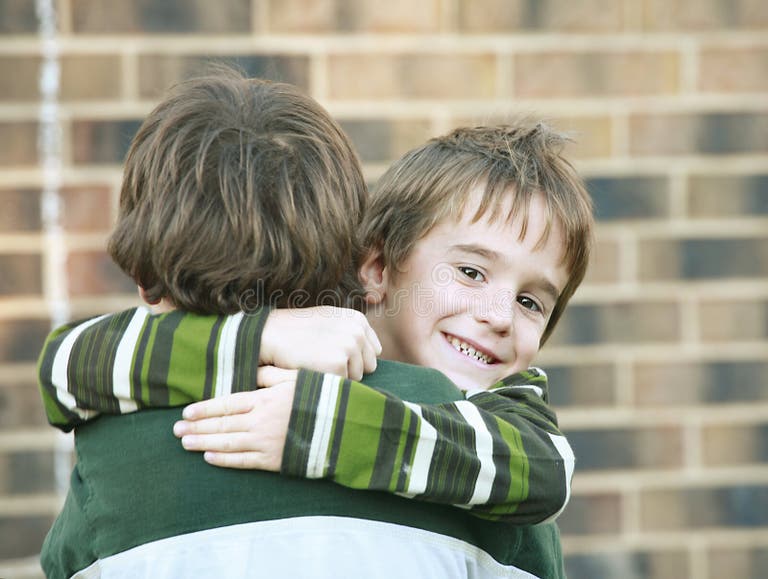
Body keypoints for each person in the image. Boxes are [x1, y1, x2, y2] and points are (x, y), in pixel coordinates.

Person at [38, 70, 592, 578]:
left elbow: (547, 470)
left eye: (532, 303)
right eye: (471, 271)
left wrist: (321, 425)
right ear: (373, 268)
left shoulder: (508, 416)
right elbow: (67, 365)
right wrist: (264, 335)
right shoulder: (309, 346)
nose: (498, 316)